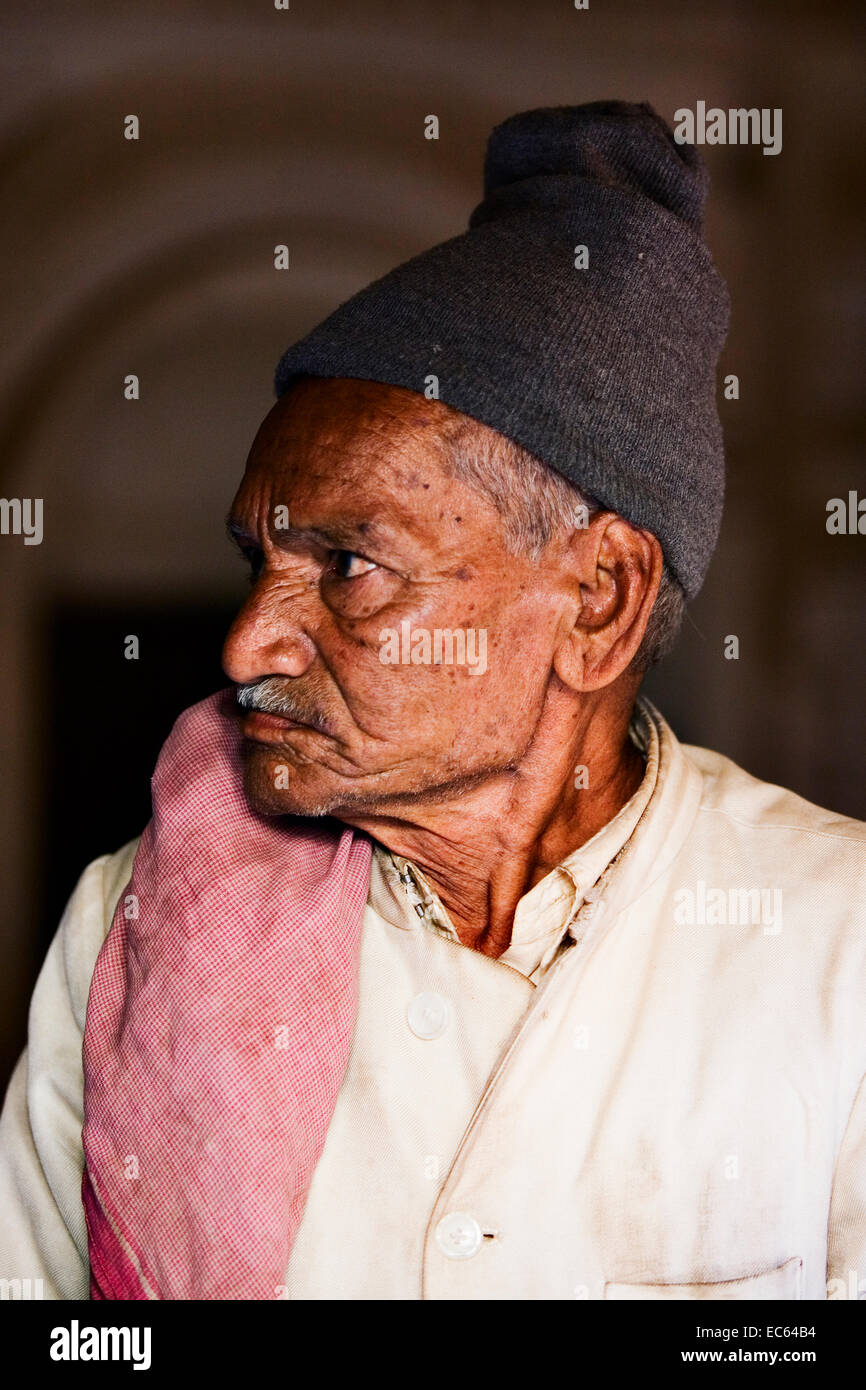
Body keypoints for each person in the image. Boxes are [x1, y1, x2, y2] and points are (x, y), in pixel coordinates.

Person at [1, 102, 864, 1301]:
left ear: (598, 599)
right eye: (262, 558)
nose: (250, 638)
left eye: (349, 567)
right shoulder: (130, 928)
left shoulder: (836, 945)